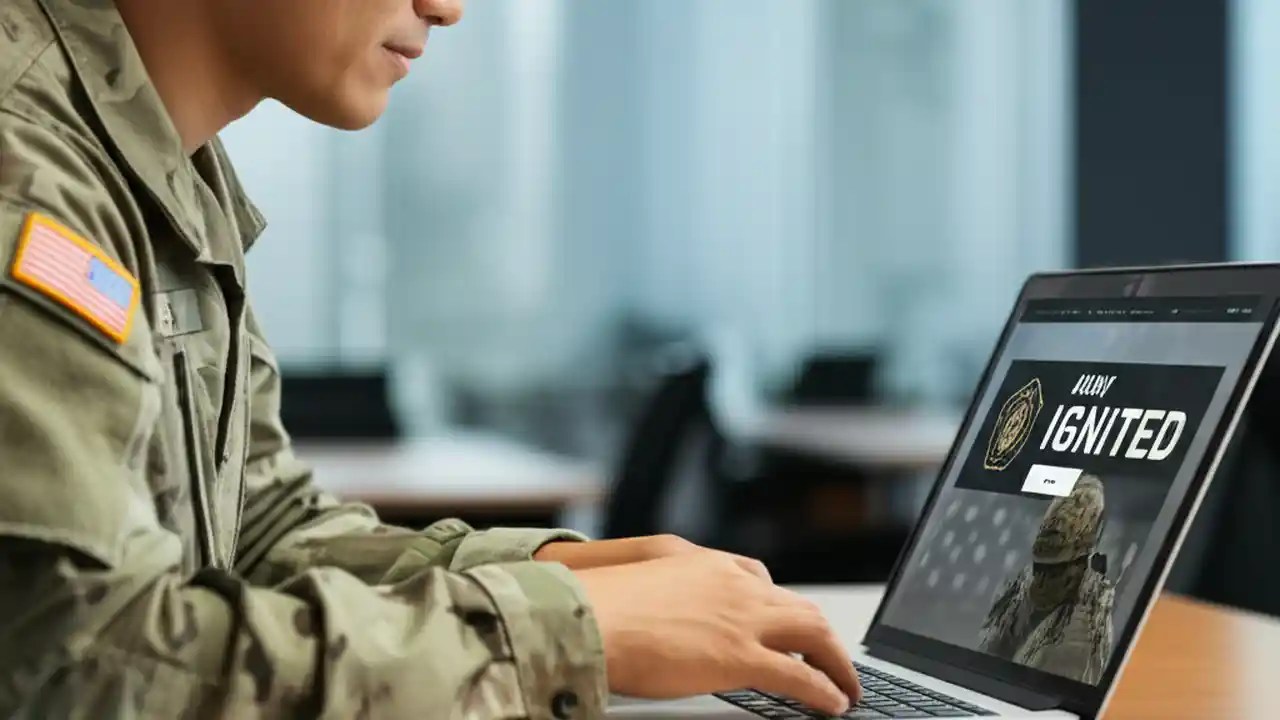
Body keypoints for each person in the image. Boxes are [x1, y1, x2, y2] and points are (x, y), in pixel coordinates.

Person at [0, 0, 862, 717]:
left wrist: (564, 575)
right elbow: (84, 664)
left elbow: (257, 536)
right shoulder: (27, 173)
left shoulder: (158, 164)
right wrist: (570, 626)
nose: (447, 7)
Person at [978, 475, 1116, 684]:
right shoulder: (1020, 589)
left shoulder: (1081, 631)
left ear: (1079, 568)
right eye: (1039, 569)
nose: (1041, 582)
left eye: (1053, 571)